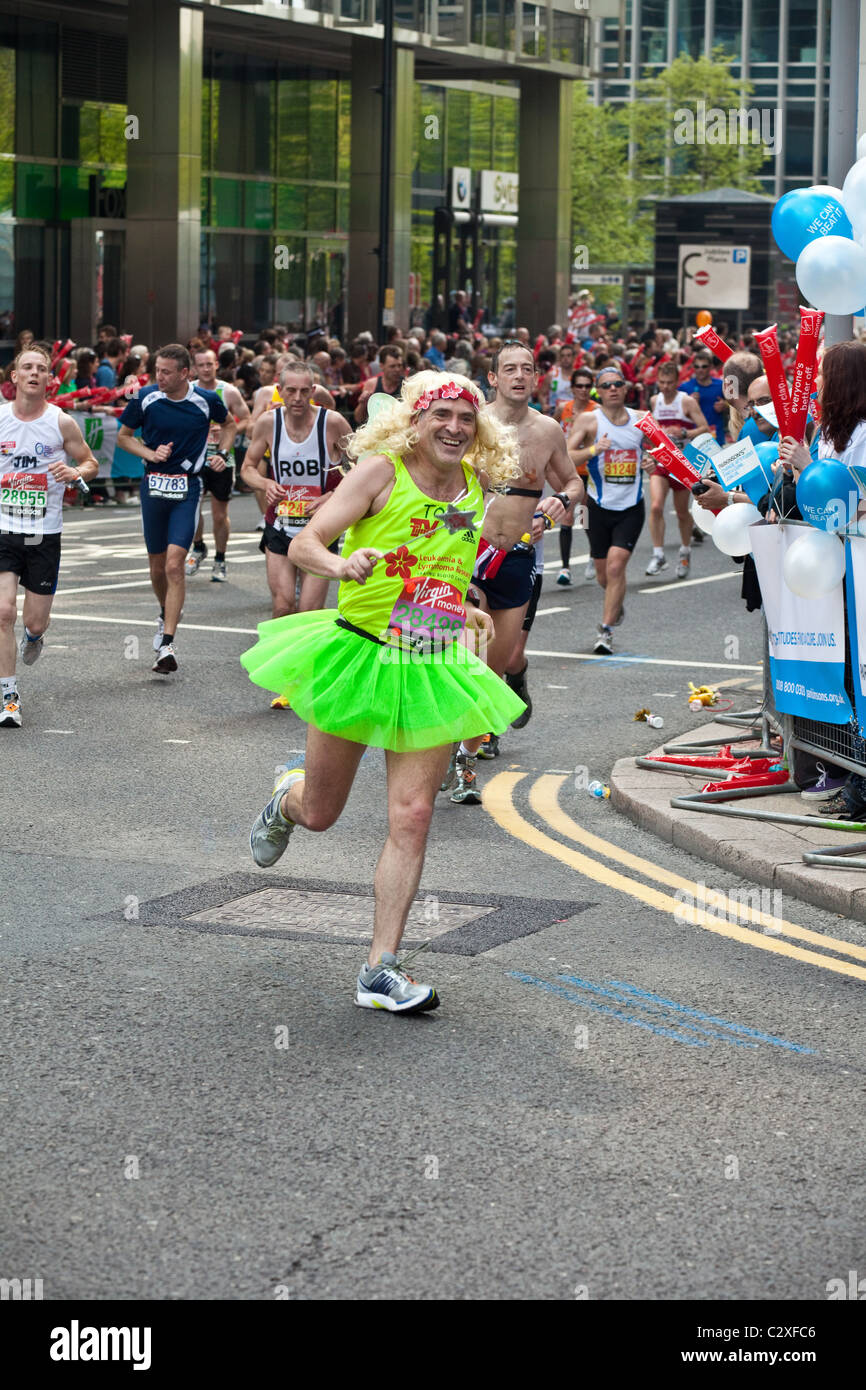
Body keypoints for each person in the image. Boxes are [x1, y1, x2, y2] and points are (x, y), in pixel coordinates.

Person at [242, 371, 524, 1012]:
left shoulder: (474, 488)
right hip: (359, 654)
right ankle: (285, 803)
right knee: (322, 812)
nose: (455, 427)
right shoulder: (378, 472)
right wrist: (341, 564)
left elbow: (443, 564)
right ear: (414, 423)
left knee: (415, 815)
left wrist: (463, 610)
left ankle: (380, 969)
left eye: (466, 418)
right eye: (441, 415)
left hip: (428, 660)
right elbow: (304, 539)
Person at [448, 340, 584, 800]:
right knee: (469, 657)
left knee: (494, 668)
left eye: (527, 368)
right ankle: (461, 763)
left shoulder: (547, 430)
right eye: (510, 369)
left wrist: (559, 503)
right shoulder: (468, 424)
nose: (520, 376)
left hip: (519, 558)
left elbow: (573, 481)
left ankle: (474, 741)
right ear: (493, 378)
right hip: (467, 555)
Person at [116, 344, 235, 674]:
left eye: (167, 372)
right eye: (157, 370)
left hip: (188, 487)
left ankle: (167, 643)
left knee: (173, 565)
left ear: (186, 374)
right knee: (156, 566)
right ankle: (165, 611)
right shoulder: (146, 398)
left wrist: (221, 454)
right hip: (153, 486)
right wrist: (150, 453)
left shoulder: (205, 401)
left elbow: (231, 426)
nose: (160, 377)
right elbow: (124, 437)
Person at [0, 345, 99, 727]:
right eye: (27, 367)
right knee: (3, 611)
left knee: (34, 621)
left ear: (49, 379)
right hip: (5, 529)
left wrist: (76, 473)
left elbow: (89, 462)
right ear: (15, 377)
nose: (34, 373)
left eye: (41, 368)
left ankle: (34, 635)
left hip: (44, 533)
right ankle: (9, 697)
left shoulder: (61, 423)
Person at [240, 360, 347, 634]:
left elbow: (362, 467)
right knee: (283, 607)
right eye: (291, 391)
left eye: (303, 391)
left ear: (313, 390)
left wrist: (332, 495)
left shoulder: (332, 423)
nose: (297, 398)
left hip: (319, 530)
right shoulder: (267, 424)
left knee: (309, 613)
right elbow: (247, 468)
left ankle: (305, 674)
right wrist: (265, 484)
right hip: (280, 524)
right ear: (280, 390)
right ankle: (282, 673)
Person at [567, 364, 647, 654]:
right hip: (597, 507)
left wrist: (652, 461)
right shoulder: (589, 421)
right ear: (597, 392)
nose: (613, 389)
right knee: (603, 574)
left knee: (616, 566)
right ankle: (616, 603)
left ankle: (606, 631)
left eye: (618, 384)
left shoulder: (641, 421)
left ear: (626, 389)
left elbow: (662, 451)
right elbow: (565, 454)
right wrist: (592, 451)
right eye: (606, 385)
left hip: (631, 507)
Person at [186, 347, 251, 581]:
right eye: (201, 365)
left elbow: (246, 419)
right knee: (191, 508)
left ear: (216, 365)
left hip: (223, 459)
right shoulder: (188, 391)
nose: (205, 368)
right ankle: (198, 546)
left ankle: (220, 559)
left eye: (209, 364)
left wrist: (225, 427)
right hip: (195, 459)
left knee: (219, 514)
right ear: (194, 368)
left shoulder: (229, 391)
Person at [646, 361, 709, 579]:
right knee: (655, 506)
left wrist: (683, 432)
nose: (665, 387)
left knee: (682, 512)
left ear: (677, 381)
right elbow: (651, 430)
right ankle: (658, 554)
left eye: (669, 383)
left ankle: (685, 551)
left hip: (681, 465)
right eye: (661, 383)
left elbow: (704, 428)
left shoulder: (686, 401)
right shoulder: (655, 400)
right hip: (661, 463)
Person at [557, 367, 596, 583]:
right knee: (567, 516)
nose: (583, 390)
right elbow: (552, 429)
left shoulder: (596, 410)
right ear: (572, 388)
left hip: (589, 472)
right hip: (567, 470)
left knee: (585, 517)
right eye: (579, 386)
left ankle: (593, 556)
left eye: (587, 386)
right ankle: (565, 568)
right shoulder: (564, 408)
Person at [353, 345, 406, 424]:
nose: (397, 369)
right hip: (376, 432)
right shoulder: (371, 385)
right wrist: (362, 403)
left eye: (399, 365)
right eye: (392, 366)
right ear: (381, 366)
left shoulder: (407, 385)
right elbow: (358, 418)